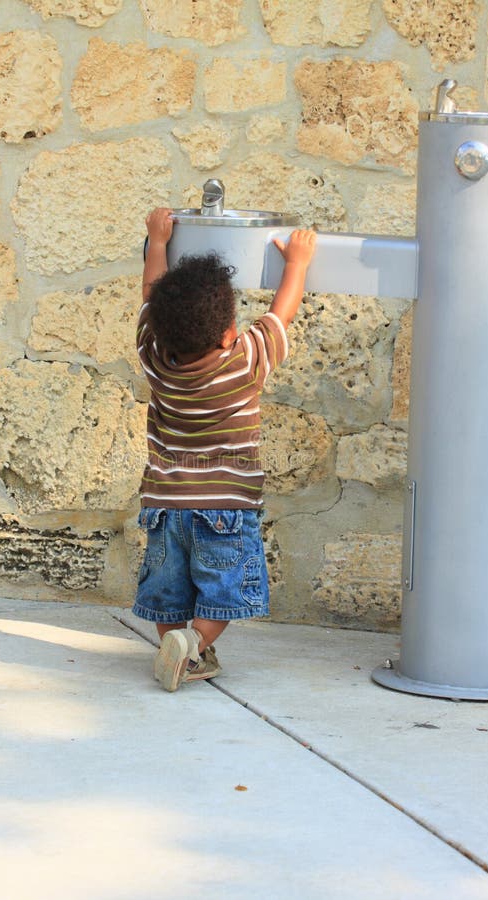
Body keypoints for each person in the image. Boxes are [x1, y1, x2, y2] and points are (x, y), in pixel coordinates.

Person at [133, 207, 316, 692]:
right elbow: (282, 314)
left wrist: (157, 244)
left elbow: (151, 295)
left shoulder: (154, 356)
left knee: (168, 595)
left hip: (165, 507)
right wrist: (296, 263)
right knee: (222, 596)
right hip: (226, 509)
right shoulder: (244, 365)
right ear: (229, 333)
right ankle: (194, 642)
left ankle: (178, 645)